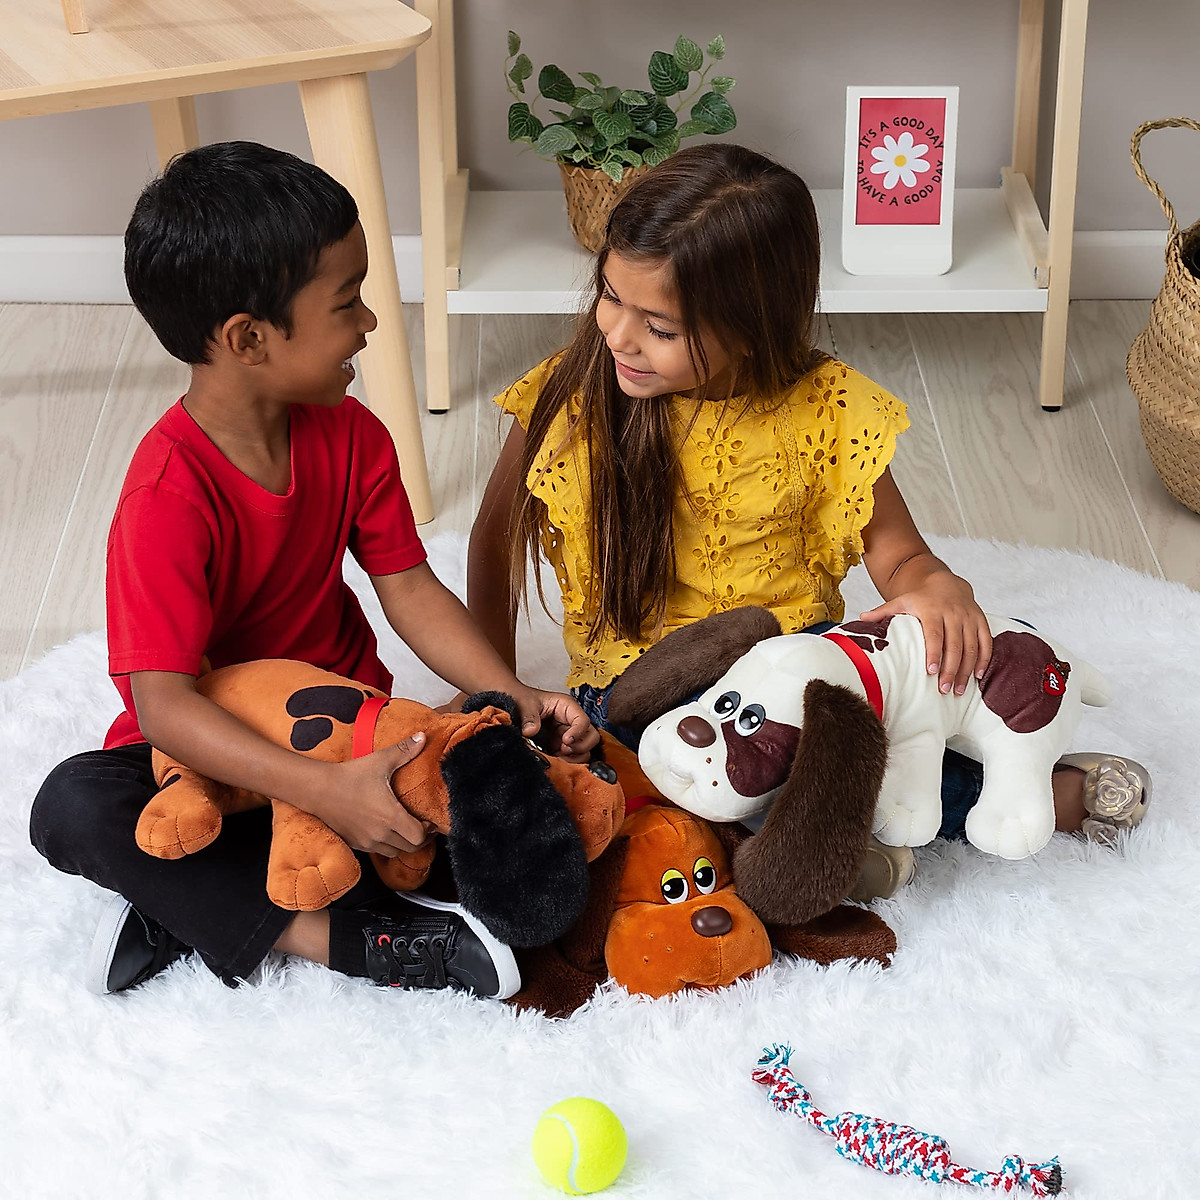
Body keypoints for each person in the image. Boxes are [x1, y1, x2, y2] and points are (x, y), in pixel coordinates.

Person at [468, 143, 1151, 898]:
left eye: (659, 326)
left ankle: (1052, 792)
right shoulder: (569, 392)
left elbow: (897, 553)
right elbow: (492, 543)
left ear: (752, 325)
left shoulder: (827, 411)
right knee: (606, 789)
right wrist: (500, 694)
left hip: (784, 688)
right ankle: (823, 844)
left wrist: (935, 583)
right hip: (635, 697)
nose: (618, 335)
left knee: (858, 752)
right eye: (610, 296)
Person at [29, 141, 598, 1000]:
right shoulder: (165, 496)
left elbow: (407, 584)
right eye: (348, 303)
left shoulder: (353, 434)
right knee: (70, 805)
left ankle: (188, 902)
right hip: (211, 758)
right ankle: (348, 939)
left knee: (487, 760)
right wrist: (325, 794)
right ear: (249, 339)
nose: (370, 323)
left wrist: (508, 691)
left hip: (346, 728)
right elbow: (164, 705)